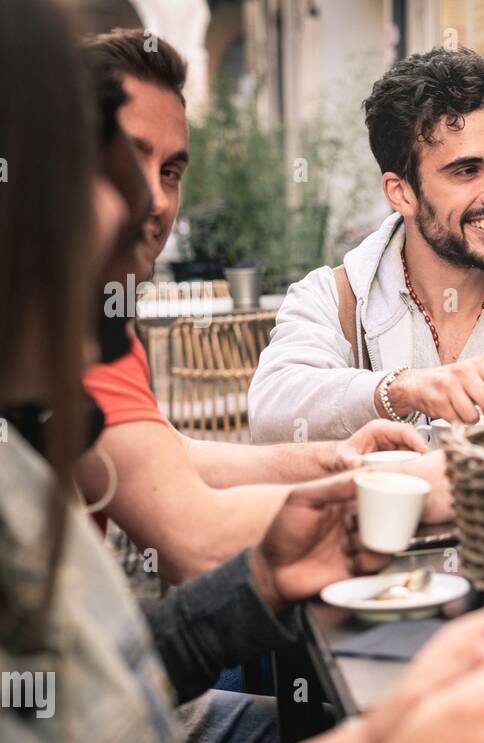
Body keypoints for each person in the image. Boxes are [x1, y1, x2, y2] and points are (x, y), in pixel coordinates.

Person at [0, 0, 484, 743]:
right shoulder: (331, 295)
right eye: (90, 159)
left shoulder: (2, 462)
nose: (149, 207)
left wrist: (364, 728)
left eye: (170, 169)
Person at [75, 30, 450, 587]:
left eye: (171, 172)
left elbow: (171, 457)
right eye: (127, 161)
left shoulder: (94, 323)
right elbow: (194, 541)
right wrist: (412, 493)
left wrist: (343, 462)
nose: (154, 199)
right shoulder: (38, 325)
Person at [246, 47, 484, 441]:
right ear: (401, 193)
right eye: (468, 171)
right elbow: (270, 411)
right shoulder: (335, 299)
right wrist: (402, 390)